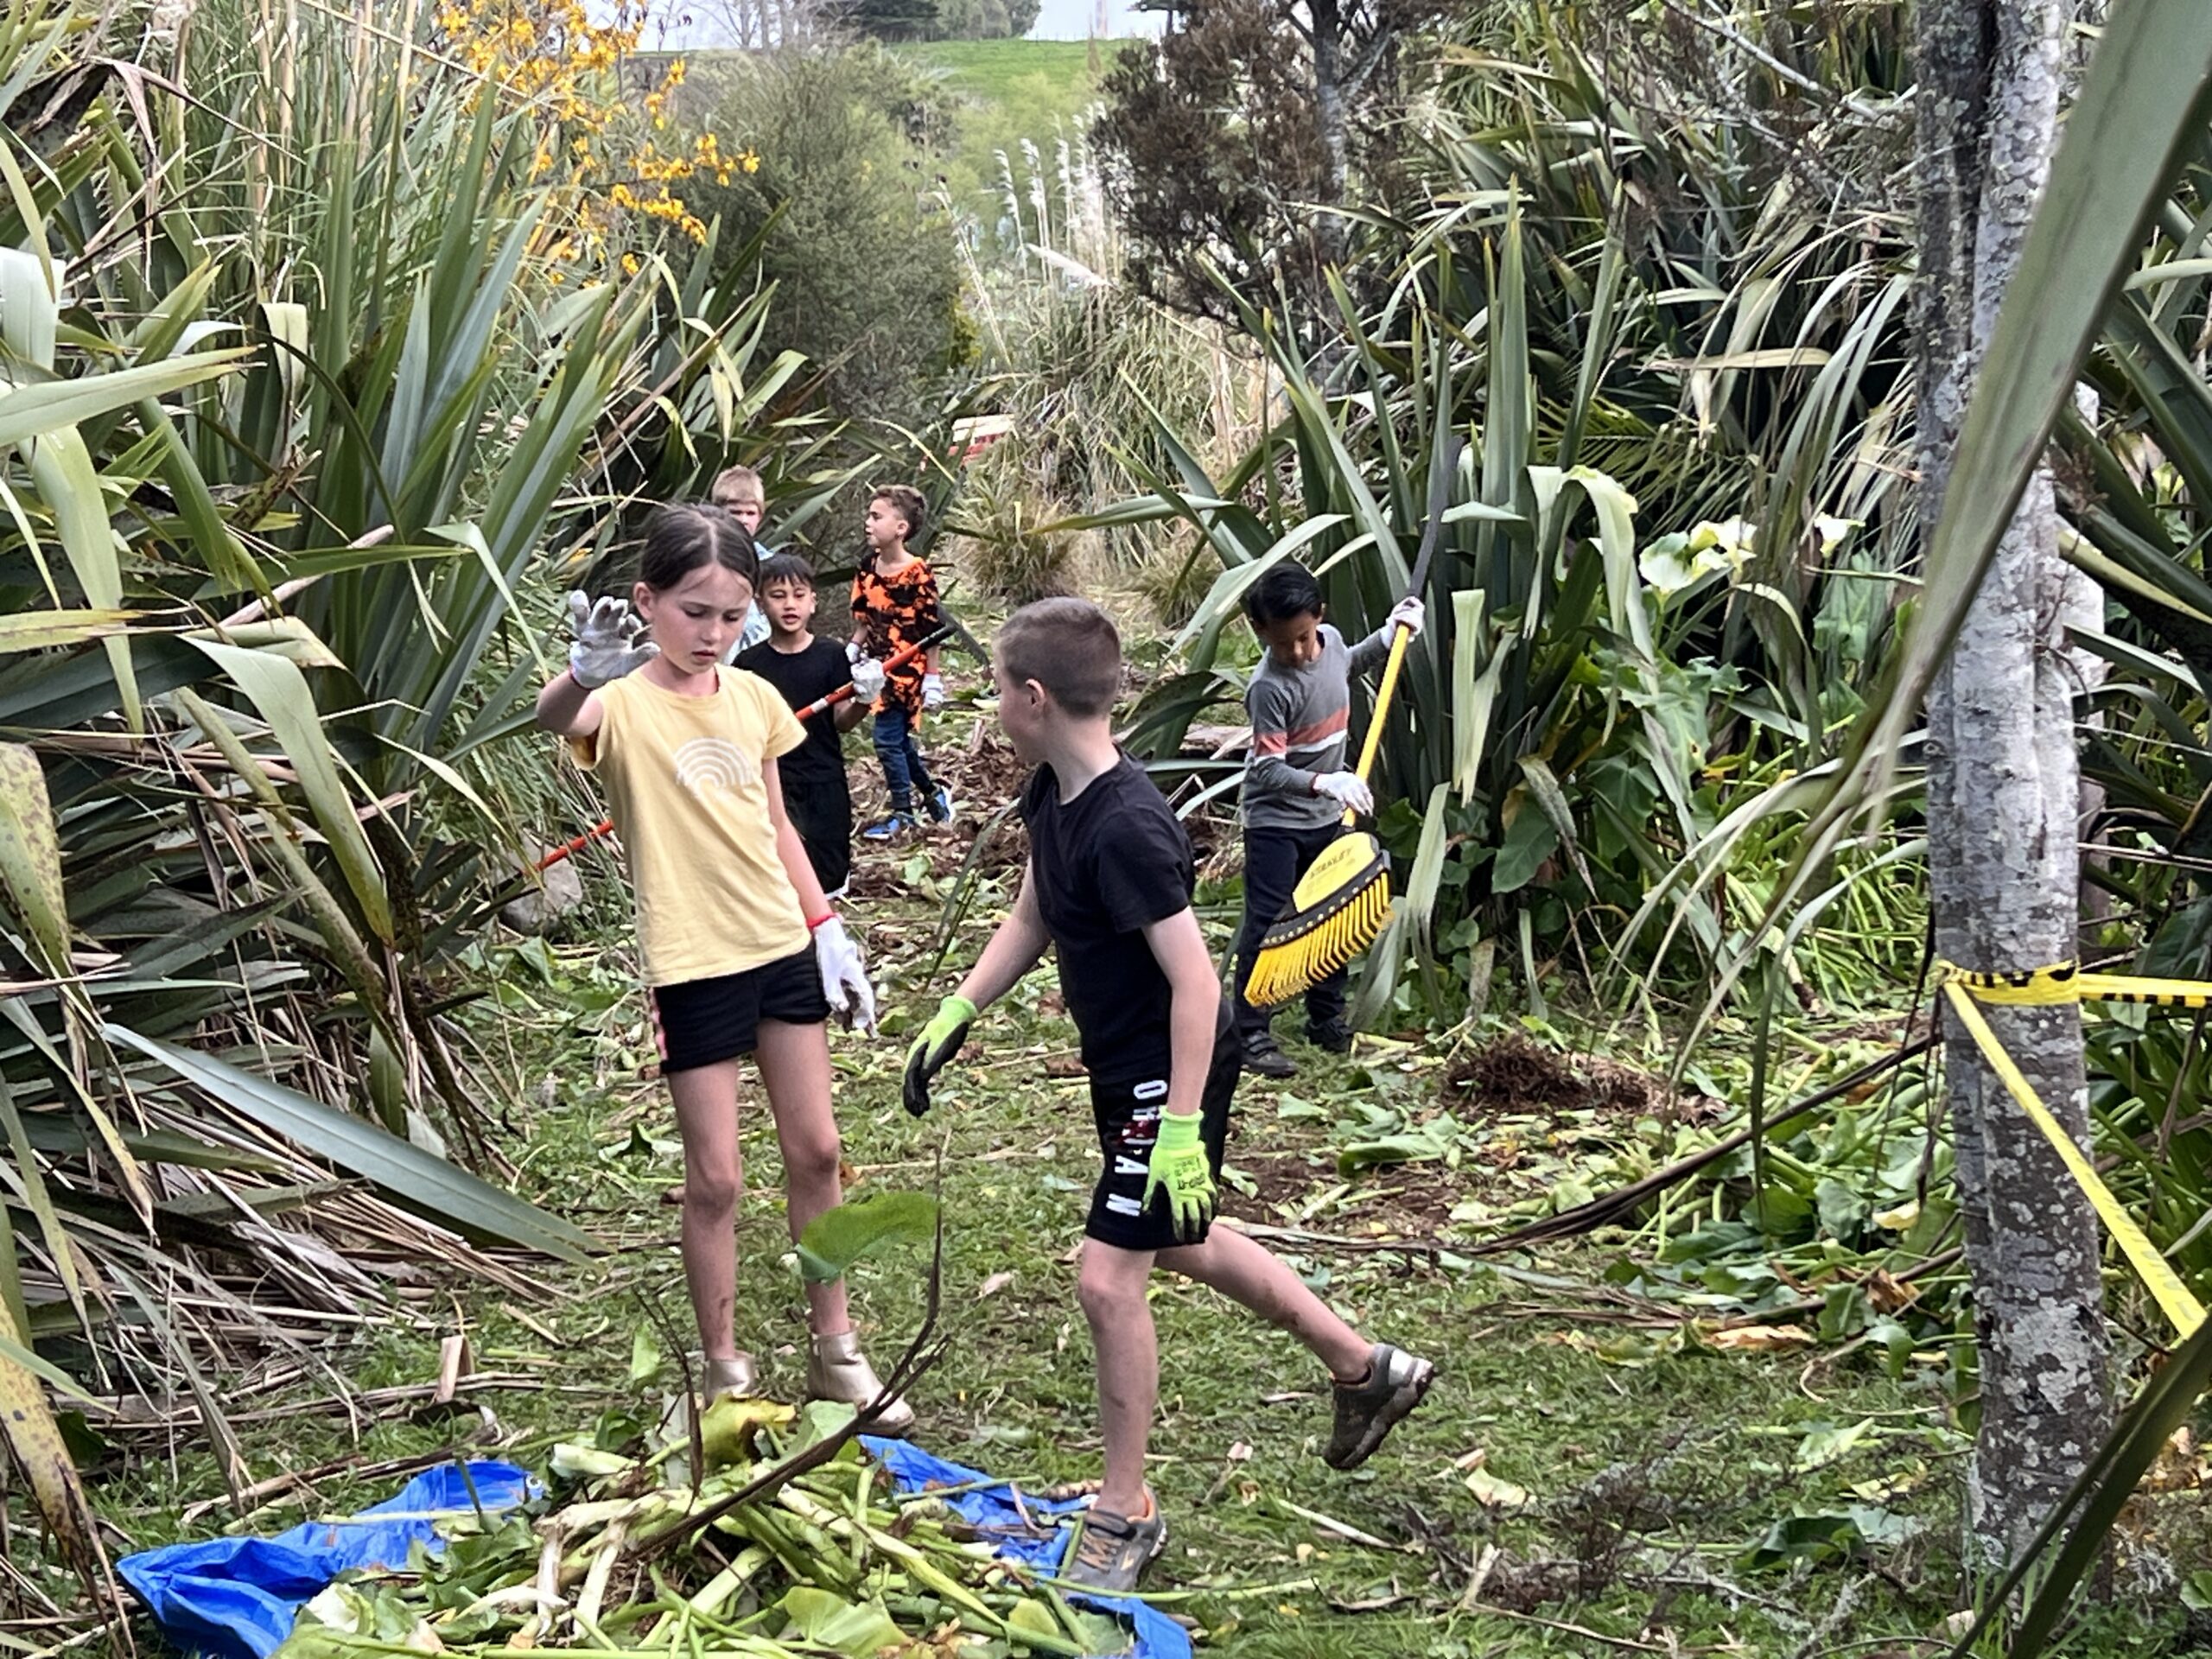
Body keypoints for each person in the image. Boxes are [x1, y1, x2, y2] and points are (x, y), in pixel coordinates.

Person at [899, 598, 1433, 1592]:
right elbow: (1036, 911)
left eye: (996, 692)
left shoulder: (1131, 825)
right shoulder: (1052, 793)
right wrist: (958, 1011)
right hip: (1124, 1061)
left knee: (1108, 1280)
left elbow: (1197, 983)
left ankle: (1123, 1509)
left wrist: (1181, 1126)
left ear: (1032, 695)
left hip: (1168, 1066)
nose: (990, 709)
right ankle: (1369, 1371)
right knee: (1178, 1238)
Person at [536, 504, 913, 1432]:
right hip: (693, 962)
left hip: (779, 943)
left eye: (728, 614)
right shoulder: (619, 702)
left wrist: (826, 928)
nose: (711, 633)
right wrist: (580, 672)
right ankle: (724, 1369)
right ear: (645, 602)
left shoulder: (751, 699)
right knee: (715, 1179)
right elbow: (555, 716)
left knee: (818, 1151)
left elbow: (776, 823)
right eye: (692, 611)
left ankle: (836, 1349)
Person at [1232, 564, 1424, 1079]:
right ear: (1260, 633)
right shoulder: (1270, 688)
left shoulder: (1331, 642)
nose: (1294, 653)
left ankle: (1326, 1019)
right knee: (1269, 919)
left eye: (1301, 638)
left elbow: (1346, 664)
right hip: (1276, 820)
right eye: (1280, 644)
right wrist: (1325, 782)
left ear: (1319, 617)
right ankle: (1249, 1030)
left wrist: (1389, 635)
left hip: (1325, 817)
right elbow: (1267, 767)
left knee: (1331, 910)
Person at [737, 552, 883, 899]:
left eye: (799, 595)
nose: (790, 604)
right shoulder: (747, 665)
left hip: (823, 780)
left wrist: (866, 699)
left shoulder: (831, 656)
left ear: (813, 602)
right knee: (777, 877)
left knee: (827, 874)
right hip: (772, 785)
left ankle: (828, 941)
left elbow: (842, 721)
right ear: (760, 603)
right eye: (778, 595)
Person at [850, 484, 951, 838]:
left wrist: (932, 679)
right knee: (900, 744)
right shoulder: (867, 569)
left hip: (907, 673)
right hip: (876, 668)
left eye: (876, 517)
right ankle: (934, 795)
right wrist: (851, 650)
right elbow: (864, 617)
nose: (868, 523)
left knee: (886, 741)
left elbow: (932, 630)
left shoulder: (918, 574)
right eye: (868, 515)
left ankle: (904, 814)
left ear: (901, 528)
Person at [710, 463, 773, 658]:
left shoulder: (770, 565)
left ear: (760, 517)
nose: (744, 520)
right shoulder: (703, 559)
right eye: (736, 512)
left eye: (750, 513)